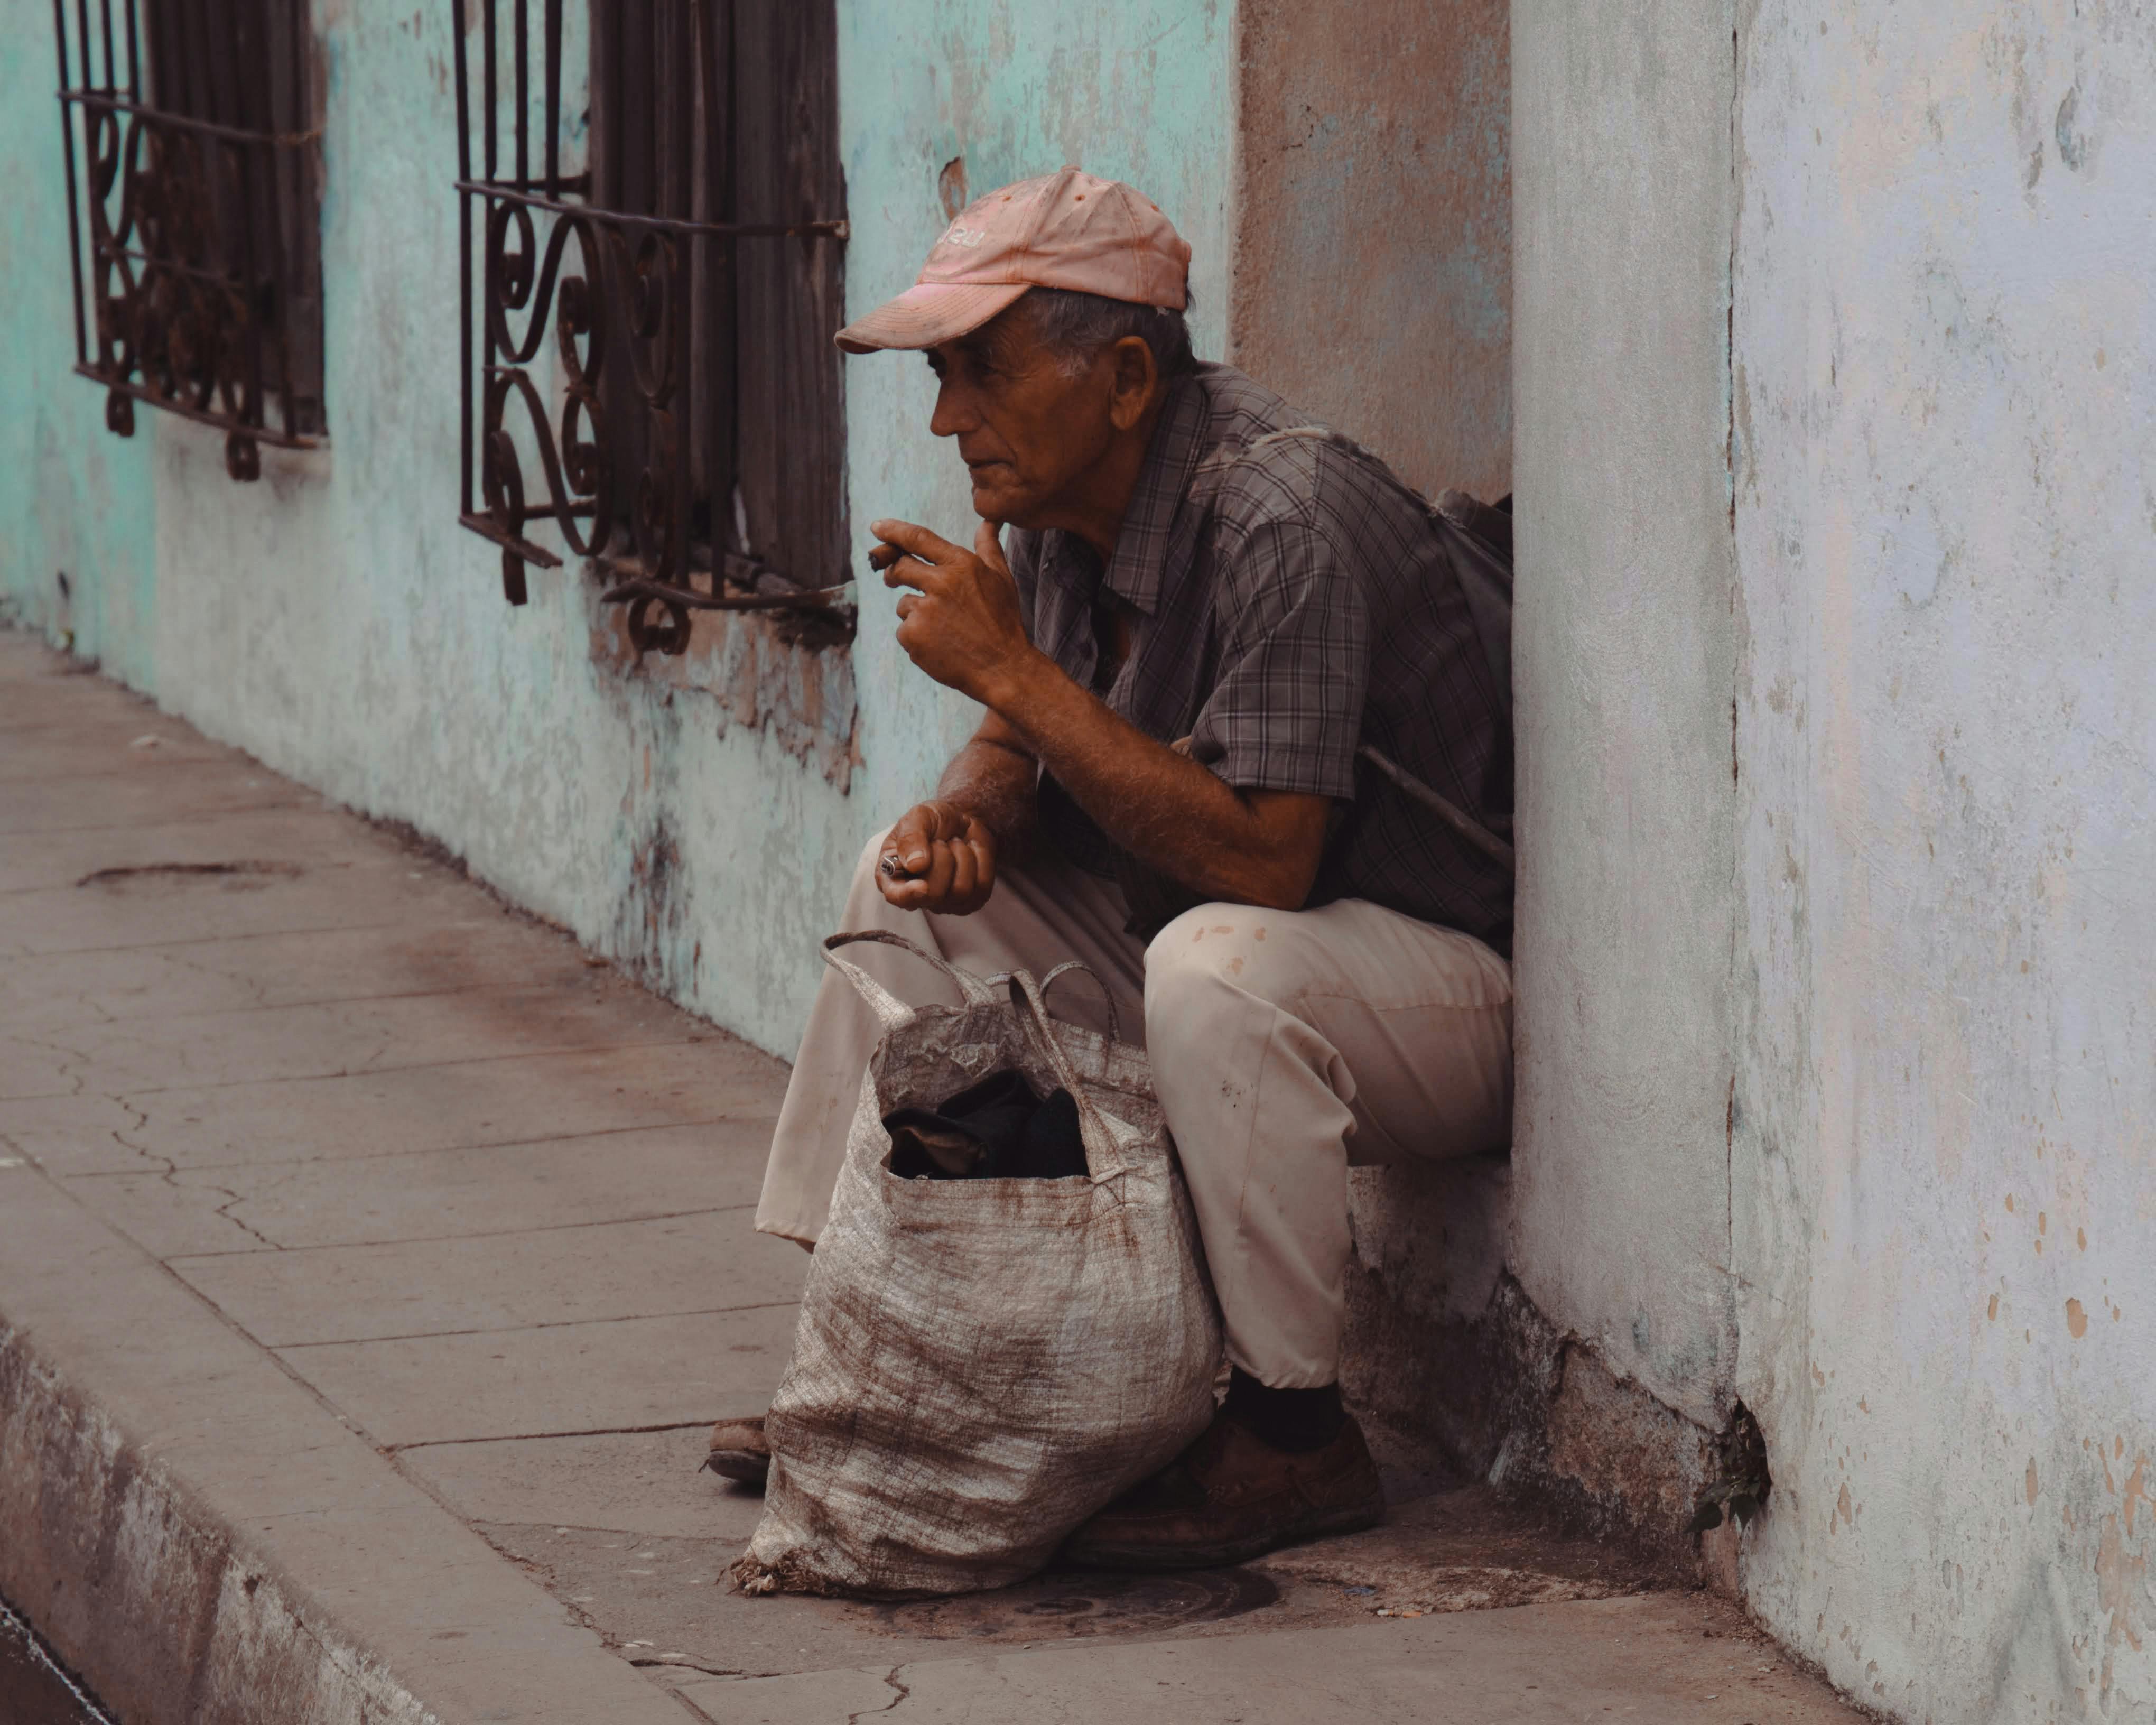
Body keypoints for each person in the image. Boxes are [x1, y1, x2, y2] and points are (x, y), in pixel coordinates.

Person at [707, 165, 1514, 1570]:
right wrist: (969, 815)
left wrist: (1010, 669)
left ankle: (1290, 1438)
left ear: (1127, 379)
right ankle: (903, 1349)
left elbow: (1267, 861)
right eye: (945, 377)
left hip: (1449, 994)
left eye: (984, 375)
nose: (951, 418)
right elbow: (1023, 749)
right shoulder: (1071, 514)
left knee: (1219, 967)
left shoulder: (1281, 514)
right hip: (1266, 952)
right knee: (899, 899)